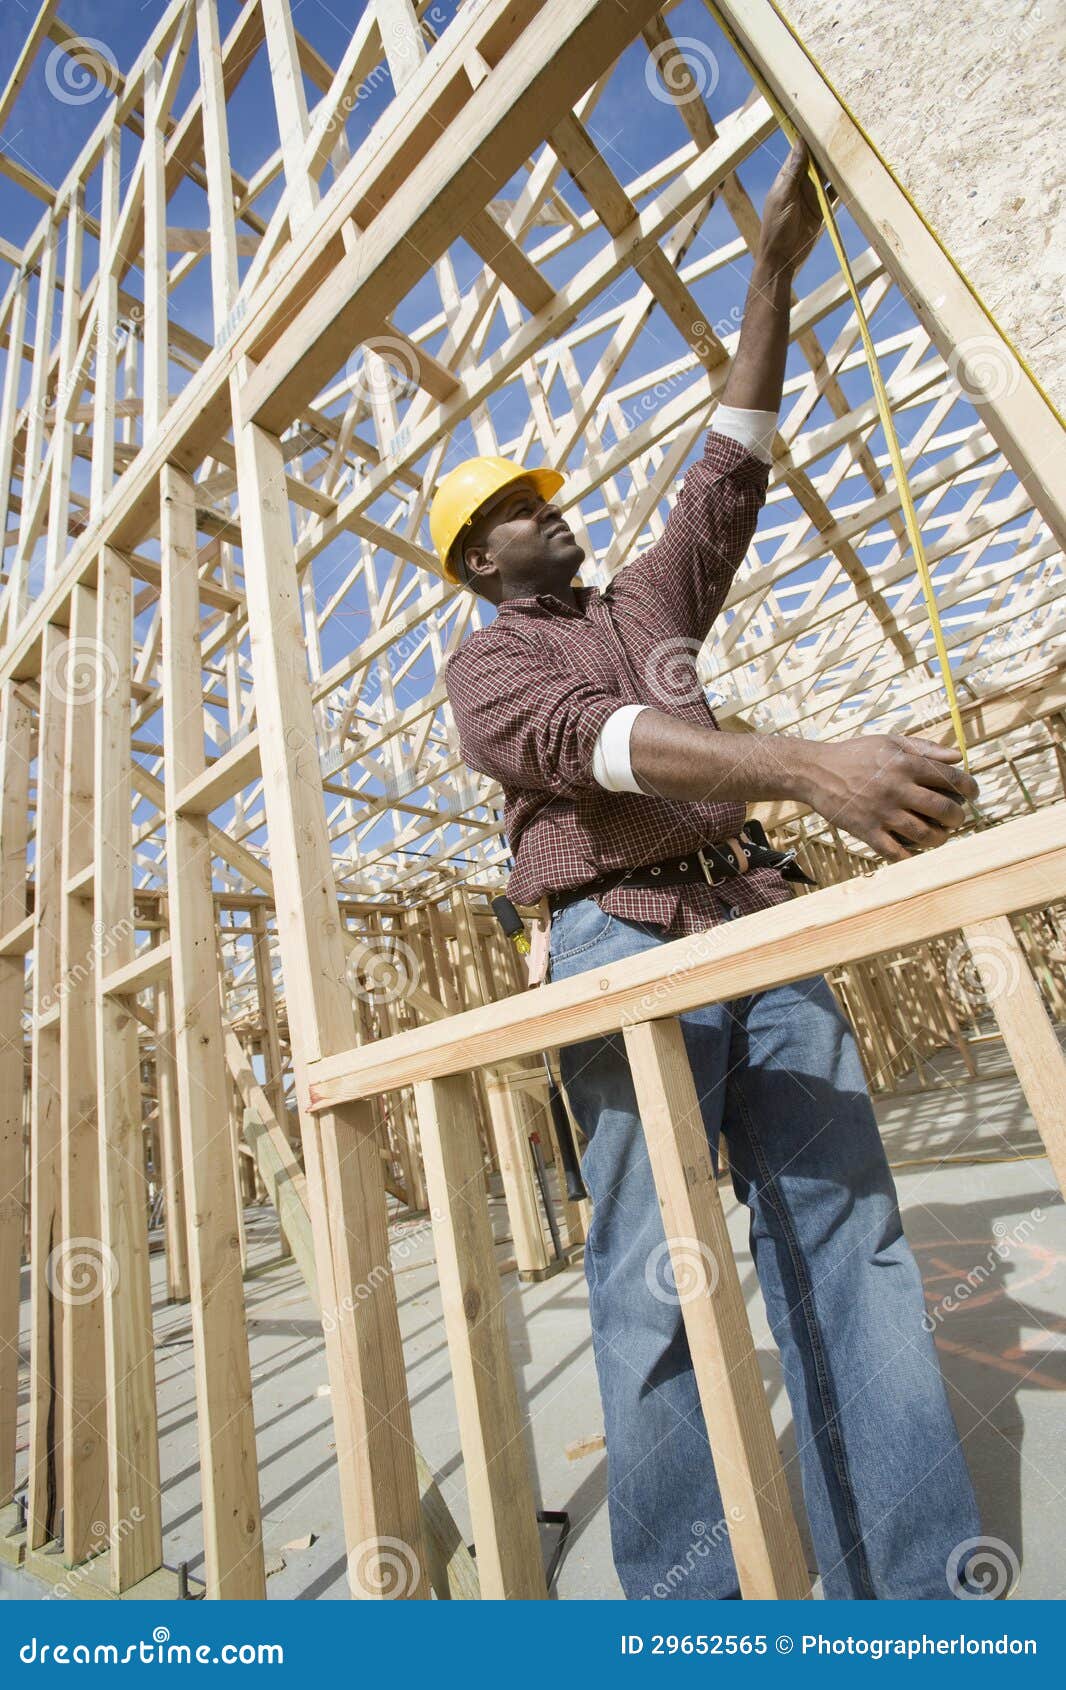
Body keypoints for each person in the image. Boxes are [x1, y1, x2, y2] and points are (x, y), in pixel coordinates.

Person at [433, 141, 983, 1600]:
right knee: (652, 1277)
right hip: (622, 944)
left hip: (754, 923)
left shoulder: (645, 599)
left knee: (848, 1243)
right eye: (520, 507)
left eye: (550, 496)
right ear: (479, 560)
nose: (556, 508)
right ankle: (685, 1610)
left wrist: (769, 272)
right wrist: (802, 761)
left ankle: (908, 1594)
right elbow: (589, 745)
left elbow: (725, 460)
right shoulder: (487, 664)